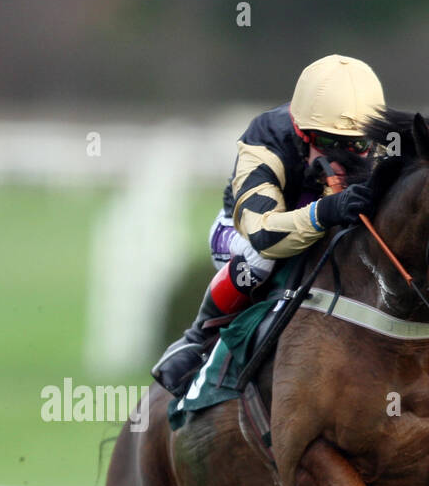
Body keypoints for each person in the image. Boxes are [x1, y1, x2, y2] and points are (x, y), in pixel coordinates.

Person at [152, 54, 386, 396]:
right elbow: (264, 234)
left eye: (358, 145)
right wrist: (325, 211)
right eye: (330, 144)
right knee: (260, 258)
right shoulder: (265, 139)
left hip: (314, 229)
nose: (343, 157)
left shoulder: (387, 146)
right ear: (302, 133)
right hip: (242, 235)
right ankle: (197, 338)